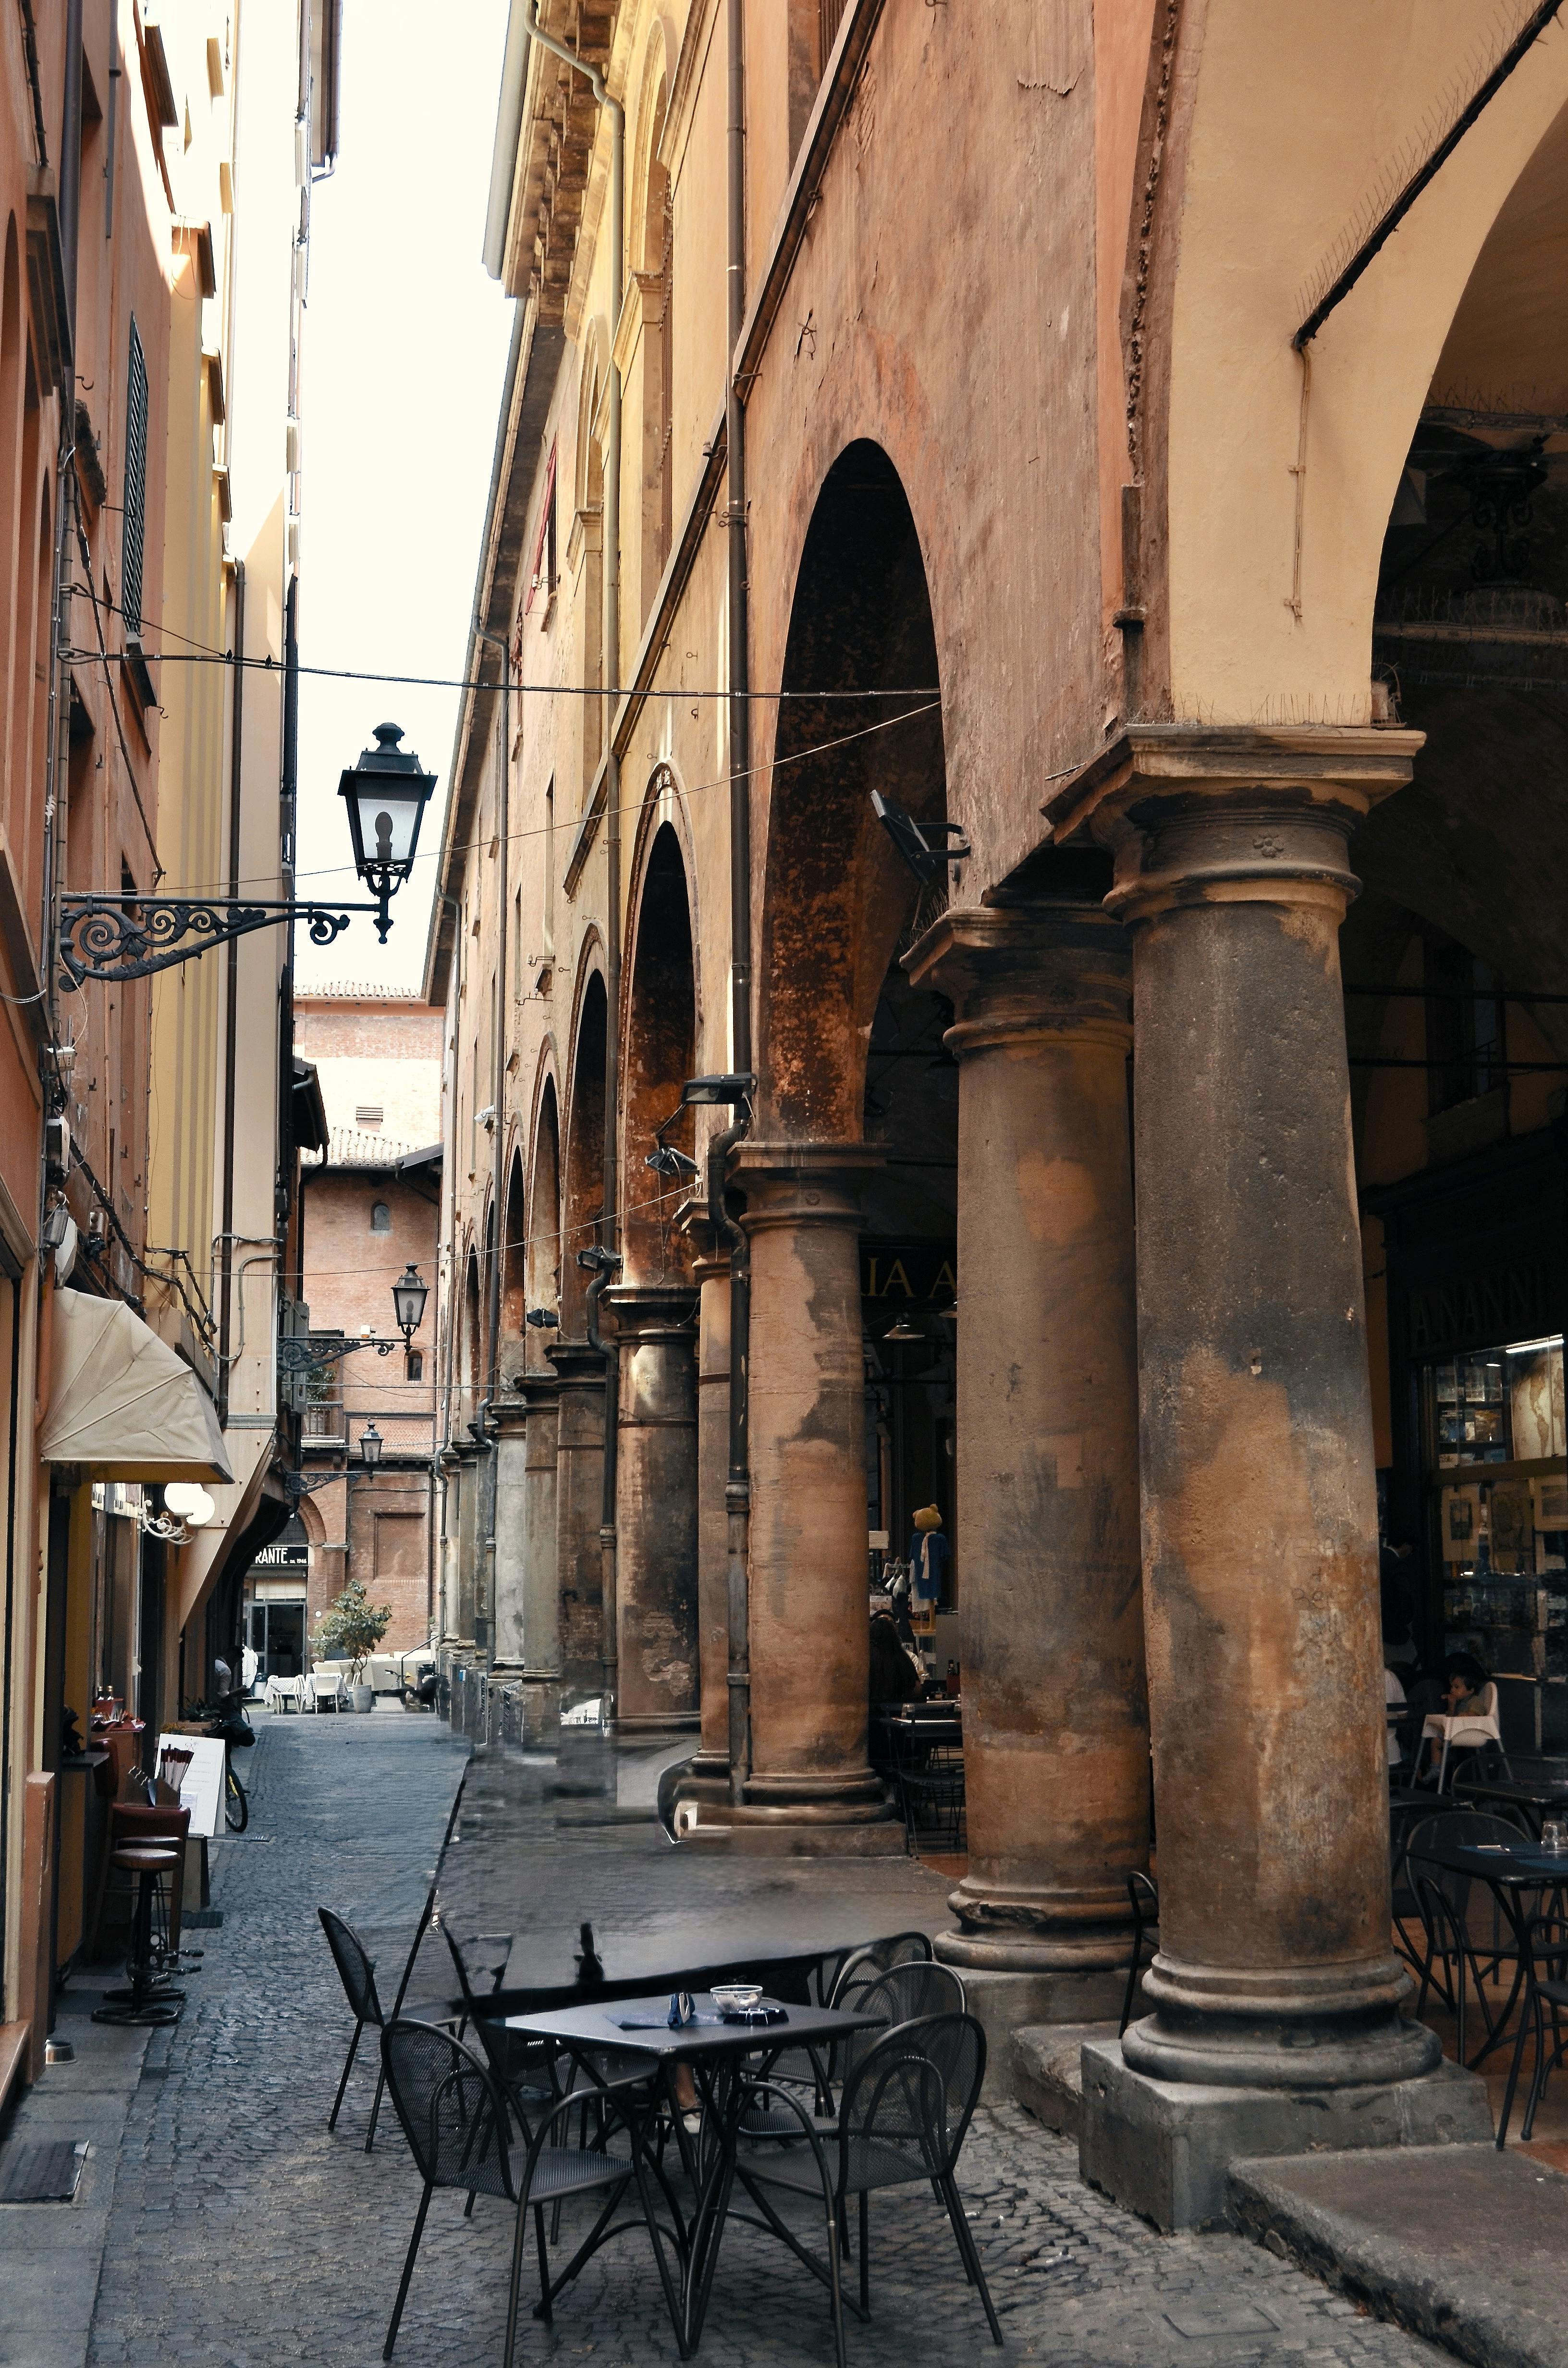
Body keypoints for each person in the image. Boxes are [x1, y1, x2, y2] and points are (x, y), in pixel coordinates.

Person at [906, 1505, 950, 1613]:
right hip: (928, 1572)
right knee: (929, 1593)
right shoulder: (937, 1539)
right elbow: (945, 1555)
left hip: (928, 1572)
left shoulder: (918, 1538)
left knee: (931, 1593)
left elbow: (912, 1556)